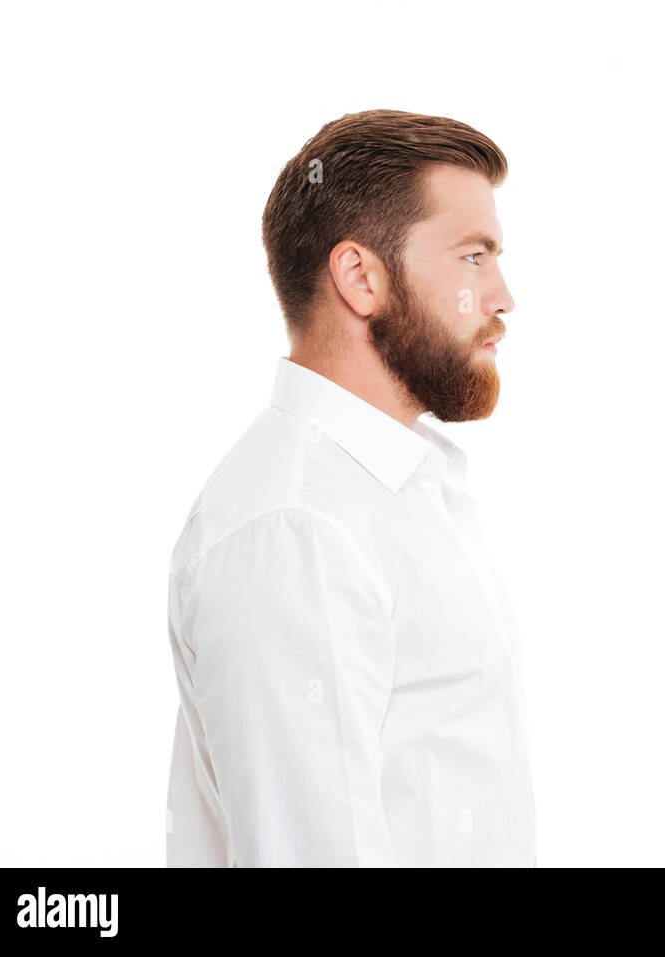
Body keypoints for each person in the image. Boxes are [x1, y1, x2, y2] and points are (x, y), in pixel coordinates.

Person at [164, 109, 536, 867]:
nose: (503, 296)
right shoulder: (294, 528)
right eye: (473, 256)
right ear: (361, 277)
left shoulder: (386, 495)